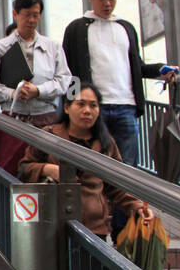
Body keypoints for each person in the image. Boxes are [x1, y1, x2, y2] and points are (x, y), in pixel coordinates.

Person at [62, 0, 178, 236]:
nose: (107, 3)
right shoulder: (78, 28)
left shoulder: (125, 28)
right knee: (93, 171)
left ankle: (123, 231)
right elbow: (69, 70)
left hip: (125, 105)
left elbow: (135, 64)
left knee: (126, 173)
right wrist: (69, 108)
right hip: (93, 110)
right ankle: (94, 226)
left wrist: (160, 70)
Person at [18, 83, 151, 240]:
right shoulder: (49, 135)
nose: (87, 111)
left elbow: (117, 186)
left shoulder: (105, 143)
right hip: (52, 225)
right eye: (81, 104)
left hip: (94, 229)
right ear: (67, 108)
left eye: (93, 106)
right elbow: (23, 169)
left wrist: (138, 207)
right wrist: (47, 169)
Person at [0, 0, 72, 125]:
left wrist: (38, 91)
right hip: (13, 117)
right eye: (27, 15)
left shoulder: (53, 47)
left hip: (46, 117)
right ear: (15, 14)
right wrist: (12, 93)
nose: (32, 20)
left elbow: (64, 80)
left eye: (36, 15)